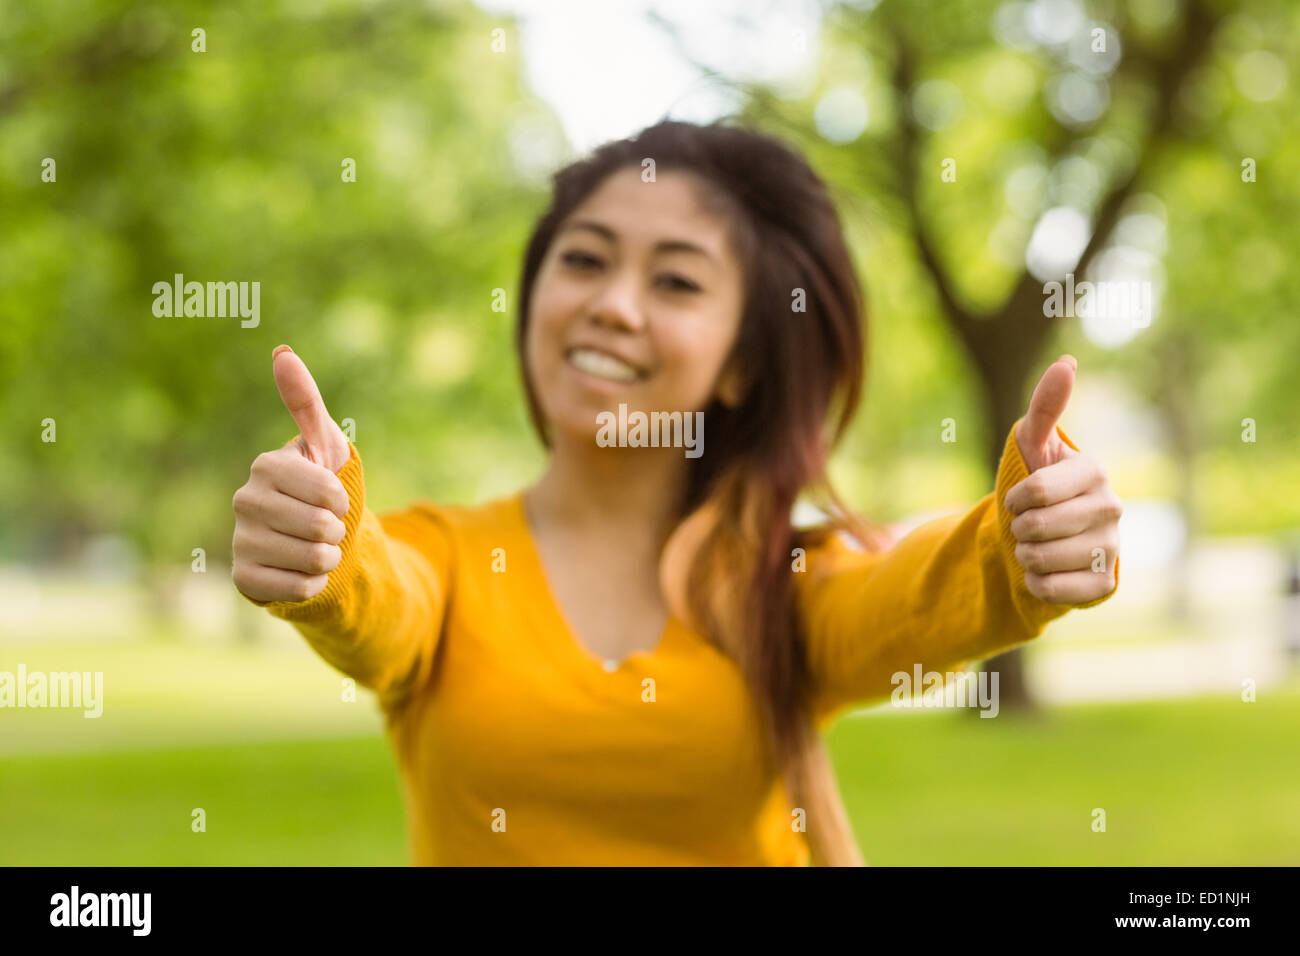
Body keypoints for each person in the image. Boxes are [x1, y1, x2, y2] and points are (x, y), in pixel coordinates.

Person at [231, 119, 1122, 866]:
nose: (615, 304)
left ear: (739, 364)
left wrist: (1020, 543)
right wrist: (326, 546)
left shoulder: (787, 581)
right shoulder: (451, 559)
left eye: (676, 281)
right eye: (584, 260)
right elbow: (380, 597)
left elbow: (915, 596)